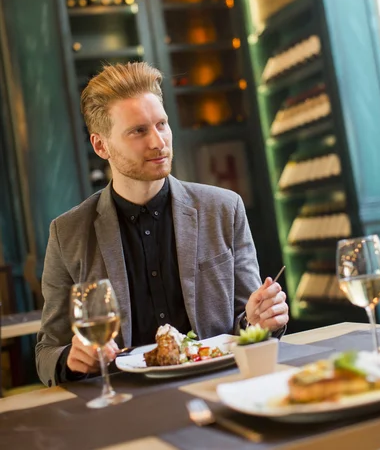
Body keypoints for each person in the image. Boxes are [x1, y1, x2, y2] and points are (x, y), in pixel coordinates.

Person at [36, 62, 289, 386]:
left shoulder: (224, 209)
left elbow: (247, 323)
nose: (158, 142)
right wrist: (71, 359)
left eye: (161, 124)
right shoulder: (67, 233)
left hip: (219, 387)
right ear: (101, 145)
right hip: (125, 403)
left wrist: (262, 320)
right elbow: (46, 353)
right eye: (139, 131)